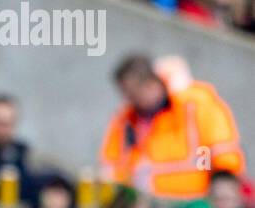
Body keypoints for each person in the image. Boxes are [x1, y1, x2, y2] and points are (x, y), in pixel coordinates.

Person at [99, 55, 245, 200]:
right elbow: (112, 165)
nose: (131, 99)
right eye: (128, 94)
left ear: (151, 83)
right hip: (146, 205)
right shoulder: (126, 119)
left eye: (134, 93)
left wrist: (220, 182)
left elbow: (219, 149)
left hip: (195, 205)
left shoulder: (193, 104)